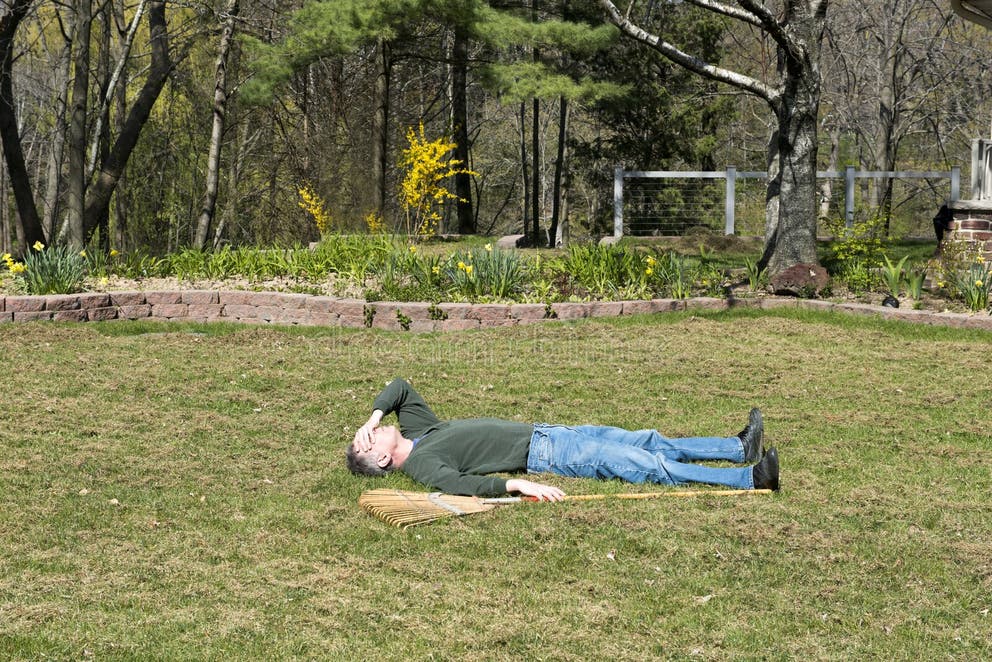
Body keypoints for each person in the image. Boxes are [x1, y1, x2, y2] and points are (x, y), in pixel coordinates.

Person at [346, 378, 780, 501]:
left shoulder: (420, 432)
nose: (373, 432)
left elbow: (400, 387)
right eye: (368, 440)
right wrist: (515, 484)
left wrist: (373, 415)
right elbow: (461, 485)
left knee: (647, 440)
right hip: (547, 452)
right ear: (382, 460)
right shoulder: (421, 465)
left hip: (550, 431)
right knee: (647, 465)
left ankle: (736, 448)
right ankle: (748, 479)